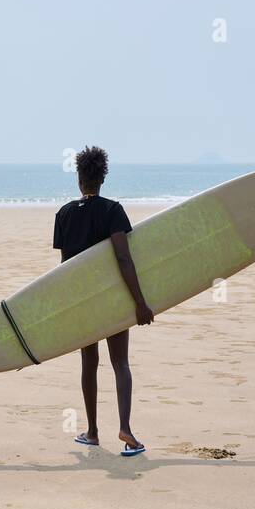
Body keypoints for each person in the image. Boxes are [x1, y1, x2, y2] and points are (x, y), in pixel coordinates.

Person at [53, 146, 155, 456]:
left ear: (79, 178)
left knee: (89, 363)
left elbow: (65, 269)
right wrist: (139, 302)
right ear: (103, 178)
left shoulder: (64, 214)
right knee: (120, 363)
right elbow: (123, 257)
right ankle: (125, 429)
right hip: (113, 300)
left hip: (84, 302)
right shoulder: (113, 211)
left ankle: (93, 431)